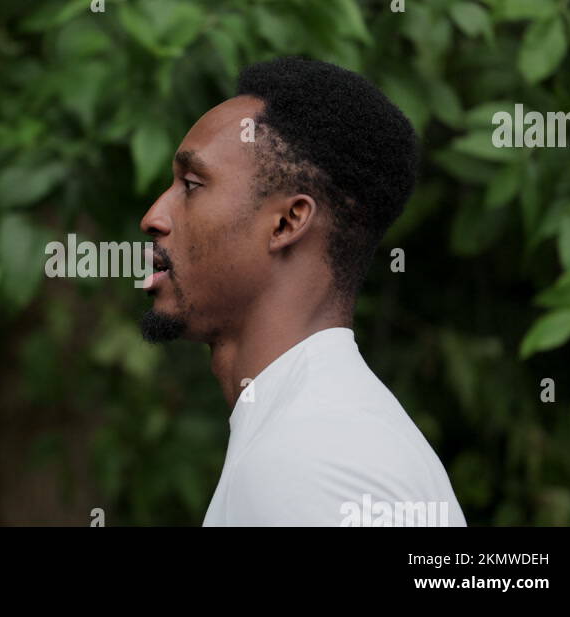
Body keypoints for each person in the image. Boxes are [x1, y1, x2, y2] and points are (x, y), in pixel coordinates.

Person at [138, 57, 465, 526]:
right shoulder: (319, 431)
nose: (153, 216)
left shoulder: (310, 459)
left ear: (287, 222)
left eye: (192, 185)